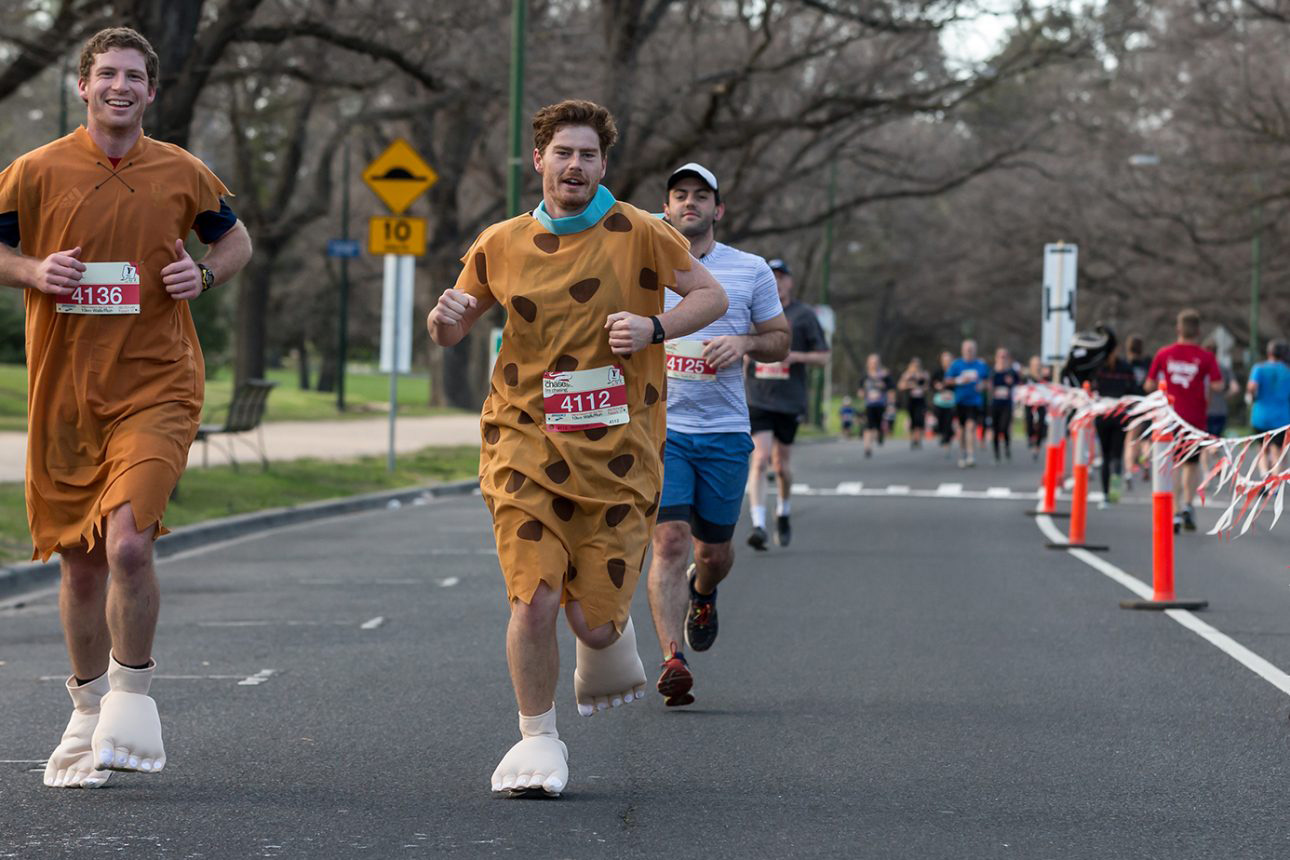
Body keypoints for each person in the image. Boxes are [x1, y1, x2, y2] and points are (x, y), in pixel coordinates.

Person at [427, 100, 726, 797]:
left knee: (594, 627)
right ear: (538, 160)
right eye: (563, 152)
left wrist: (656, 327)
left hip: (619, 453)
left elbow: (708, 297)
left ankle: (601, 632)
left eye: (588, 155)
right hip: (523, 439)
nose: (574, 165)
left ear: (603, 164)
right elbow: (454, 326)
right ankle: (538, 740)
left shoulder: (642, 233)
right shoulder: (499, 242)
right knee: (531, 598)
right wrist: (442, 322)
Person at [0, 28, 252, 789]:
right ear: (84, 86)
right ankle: (84, 715)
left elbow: (235, 241)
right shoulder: (35, 172)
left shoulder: (181, 171)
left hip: (157, 386)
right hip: (66, 395)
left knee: (129, 546)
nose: (119, 85)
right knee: (78, 568)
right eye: (106, 73)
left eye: (133, 76)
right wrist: (33, 269)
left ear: (150, 90)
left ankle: (131, 696)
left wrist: (203, 279)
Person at [646, 162, 789, 708]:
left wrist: (746, 345)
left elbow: (779, 338)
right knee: (669, 540)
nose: (689, 204)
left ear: (717, 209)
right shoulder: (644, 269)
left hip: (726, 429)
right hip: (665, 427)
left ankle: (703, 592)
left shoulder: (749, 270)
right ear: (666, 207)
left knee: (713, 552)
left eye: (700, 196)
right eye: (679, 195)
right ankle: (672, 659)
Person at [744, 259, 830, 550]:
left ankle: (783, 509)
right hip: (758, 397)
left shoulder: (804, 315)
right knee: (760, 458)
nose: (777, 282)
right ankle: (758, 524)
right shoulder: (751, 310)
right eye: (771, 277)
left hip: (789, 399)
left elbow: (823, 357)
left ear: (790, 282)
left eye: (781, 277)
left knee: (781, 466)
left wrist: (796, 357)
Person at [1145, 309, 1223, 533]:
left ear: (1178, 329)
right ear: (1198, 332)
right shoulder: (1206, 357)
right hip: (1196, 419)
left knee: (1175, 465)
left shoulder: (1163, 354)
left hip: (1170, 419)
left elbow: (1149, 384)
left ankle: (1175, 512)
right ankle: (1188, 504)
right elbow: (1218, 385)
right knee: (1191, 464)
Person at [1090, 337, 1138, 508]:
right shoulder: (1125, 368)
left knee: (1106, 455)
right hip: (1118, 416)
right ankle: (1114, 491)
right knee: (1116, 456)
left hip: (1103, 415)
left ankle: (1105, 494)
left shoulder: (1097, 368)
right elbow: (1134, 390)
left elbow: (1091, 388)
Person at [1247, 339, 1290, 478]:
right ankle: (1274, 485)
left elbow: (1252, 387)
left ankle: (1264, 477)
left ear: (1269, 353)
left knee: (1262, 450)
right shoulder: (1287, 371)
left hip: (1260, 416)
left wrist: (1252, 396)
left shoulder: (1259, 368)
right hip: (1281, 417)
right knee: (1277, 451)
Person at [946, 340, 990, 468]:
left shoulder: (980, 365)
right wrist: (960, 380)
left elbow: (987, 382)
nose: (969, 351)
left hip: (974, 401)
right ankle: (962, 452)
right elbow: (948, 380)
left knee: (971, 427)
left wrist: (982, 385)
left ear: (975, 350)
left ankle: (971, 455)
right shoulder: (956, 364)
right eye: (967, 349)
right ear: (962, 350)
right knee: (961, 429)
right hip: (960, 400)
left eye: (971, 349)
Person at [1122, 335, 1151, 489]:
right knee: (1146, 438)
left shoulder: (1125, 365)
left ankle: (1128, 471)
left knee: (1131, 440)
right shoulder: (1147, 364)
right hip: (1146, 404)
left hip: (1131, 405)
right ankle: (1145, 462)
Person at [859, 353, 894, 458]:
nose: (873, 364)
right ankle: (867, 448)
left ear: (878, 363)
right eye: (871, 362)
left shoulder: (884, 376)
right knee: (868, 426)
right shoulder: (865, 376)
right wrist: (862, 393)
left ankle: (880, 434)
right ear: (868, 364)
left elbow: (891, 390)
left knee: (878, 426)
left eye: (875, 362)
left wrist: (891, 404)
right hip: (869, 404)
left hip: (881, 404)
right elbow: (860, 391)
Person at [988, 348, 1020, 462]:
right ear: (996, 358)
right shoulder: (992, 372)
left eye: (1004, 356)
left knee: (1004, 427)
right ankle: (996, 453)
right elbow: (988, 386)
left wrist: (1012, 383)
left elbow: (1019, 383)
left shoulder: (1011, 372)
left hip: (1007, 404)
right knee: (995, 429)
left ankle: (1007, 448)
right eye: (1000, 356)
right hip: (995, 404)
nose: (1002, 359)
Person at [898, 357, 929, 449]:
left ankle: (918, 439)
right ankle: (913, 439)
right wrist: (909, 385)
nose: (916, 367)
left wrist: (922, 387)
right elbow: (900, 386)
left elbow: (927, 387)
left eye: (917, 365)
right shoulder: (907, 374)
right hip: (911, 400)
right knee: (912, 420)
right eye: (914, 365)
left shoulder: (924, 374)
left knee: (919, 419)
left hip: (920, 400)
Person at [1023, 355, 1050, 461]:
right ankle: (1030, 437)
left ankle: (1037, 447)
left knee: (1041, 424)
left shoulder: (1045, 377)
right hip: (1029, 403)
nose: (1036, 367)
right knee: (1029, 421)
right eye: (1034, 365)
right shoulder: (1027, 377)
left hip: (1041, 404)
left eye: (1038, 365)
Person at [930, 351, 956, 456]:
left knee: (948, 423)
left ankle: (947, 444)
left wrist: (952, 384)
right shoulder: (937, 372)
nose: (947, 362)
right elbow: (931, 384)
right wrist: (937, 386)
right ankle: (941, 434)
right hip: (939, 402)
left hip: (951, 402)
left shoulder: (954, 371)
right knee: (940, 421)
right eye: (945, 360)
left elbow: (959, 383)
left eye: (949, 360)